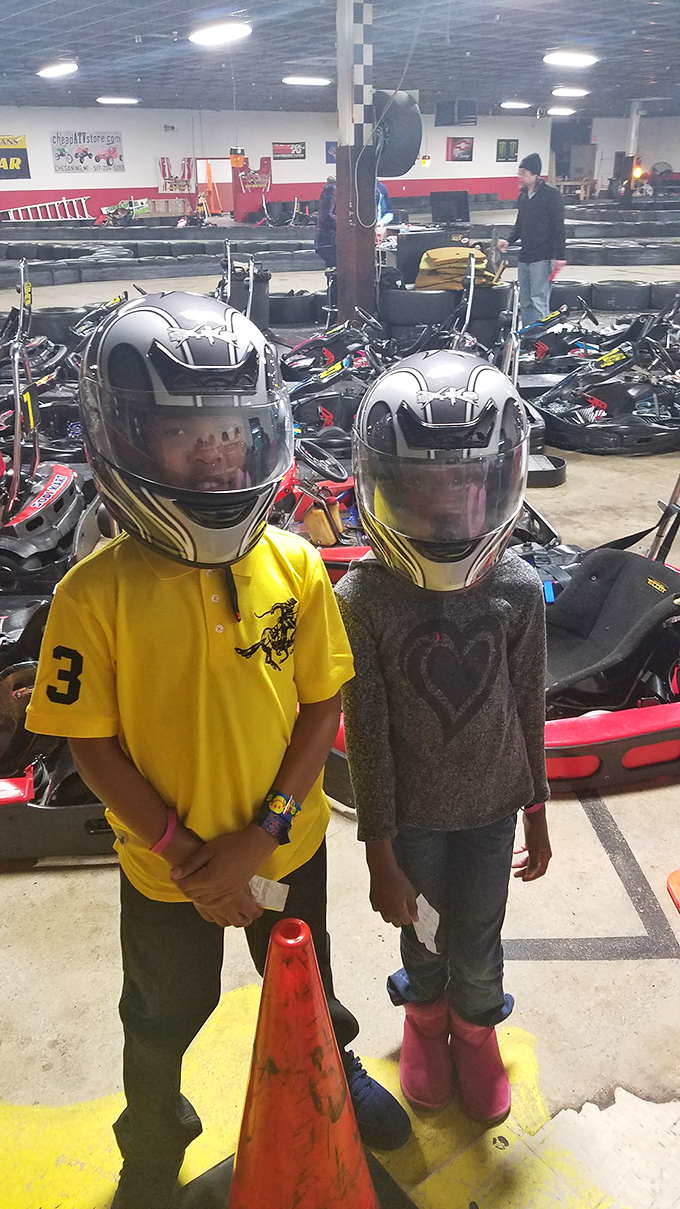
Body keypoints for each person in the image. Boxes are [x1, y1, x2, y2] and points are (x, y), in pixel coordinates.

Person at [25, 293, 411, 1209]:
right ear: (123, 438)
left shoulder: (295, 566)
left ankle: (333, 1067)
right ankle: (152, 1141)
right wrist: (187, 856)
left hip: (286, 845)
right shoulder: (94, 593)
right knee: (158, 1022)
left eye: (233, 426)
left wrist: (262, 832)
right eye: (181, 429)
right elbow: (93, 747)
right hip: (167, 873)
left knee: (305, 975)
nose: (216, 450)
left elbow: (322, 703)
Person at [335, 349, 552, 1124]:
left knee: (481, 932)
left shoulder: (518, 588)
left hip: (494, 809)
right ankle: (424, 1021)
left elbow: (529, 706)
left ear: (497, 484)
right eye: (419, 489)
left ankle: (475, 1027)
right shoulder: (361, 596)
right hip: (415, 820)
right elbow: (365, 731)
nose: (443, 511)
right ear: (383, 487)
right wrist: (378, 852)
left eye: (462, 488)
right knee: (423, 933)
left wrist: (539, 811)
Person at [498, 153, 566, 326]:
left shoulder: (551, 195)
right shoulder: (523, 196)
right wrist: (509, 240)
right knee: (526, 301)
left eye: (523, 172)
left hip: (543, 257)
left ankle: (541, 339)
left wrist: (560, 256)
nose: (519, 177)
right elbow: (520, 224)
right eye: (519, 172)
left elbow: (559, 226)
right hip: (525, 256)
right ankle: (528, 336)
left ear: (535, 174)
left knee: (538, 300)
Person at [314, 175, 337, 268]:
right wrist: (345, 224)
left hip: (331, 242)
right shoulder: (332, 188)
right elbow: (326, 215)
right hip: (328, 241)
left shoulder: (335, 188)